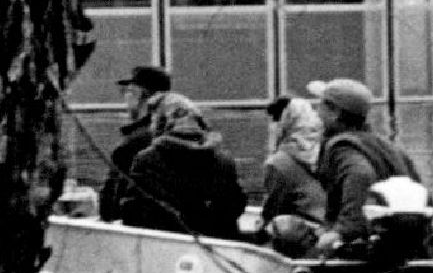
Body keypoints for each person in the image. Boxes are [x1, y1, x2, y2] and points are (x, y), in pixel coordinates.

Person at [98, 64, 246, 237]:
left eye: (128, 91)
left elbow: (117, 210)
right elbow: (233, 207)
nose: (125, 98)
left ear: (141, 95)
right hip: (214, 243)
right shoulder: (223, 160)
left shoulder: (140, 153)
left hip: (161, 244)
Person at [310, 78, 433, 262]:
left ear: (334, 112)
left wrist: (342, 231)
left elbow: (360, 175)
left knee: (286, 228)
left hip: (366, 249)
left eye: (320, 106)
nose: (316, 112)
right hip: (410, 245)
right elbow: (421, 190)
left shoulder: (341, 147)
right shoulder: (387, 146)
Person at [253, 94, 330, 257]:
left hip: (300, 241)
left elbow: (272, 211)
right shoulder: (328, 152)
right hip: (330, 234)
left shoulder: (279, 163)